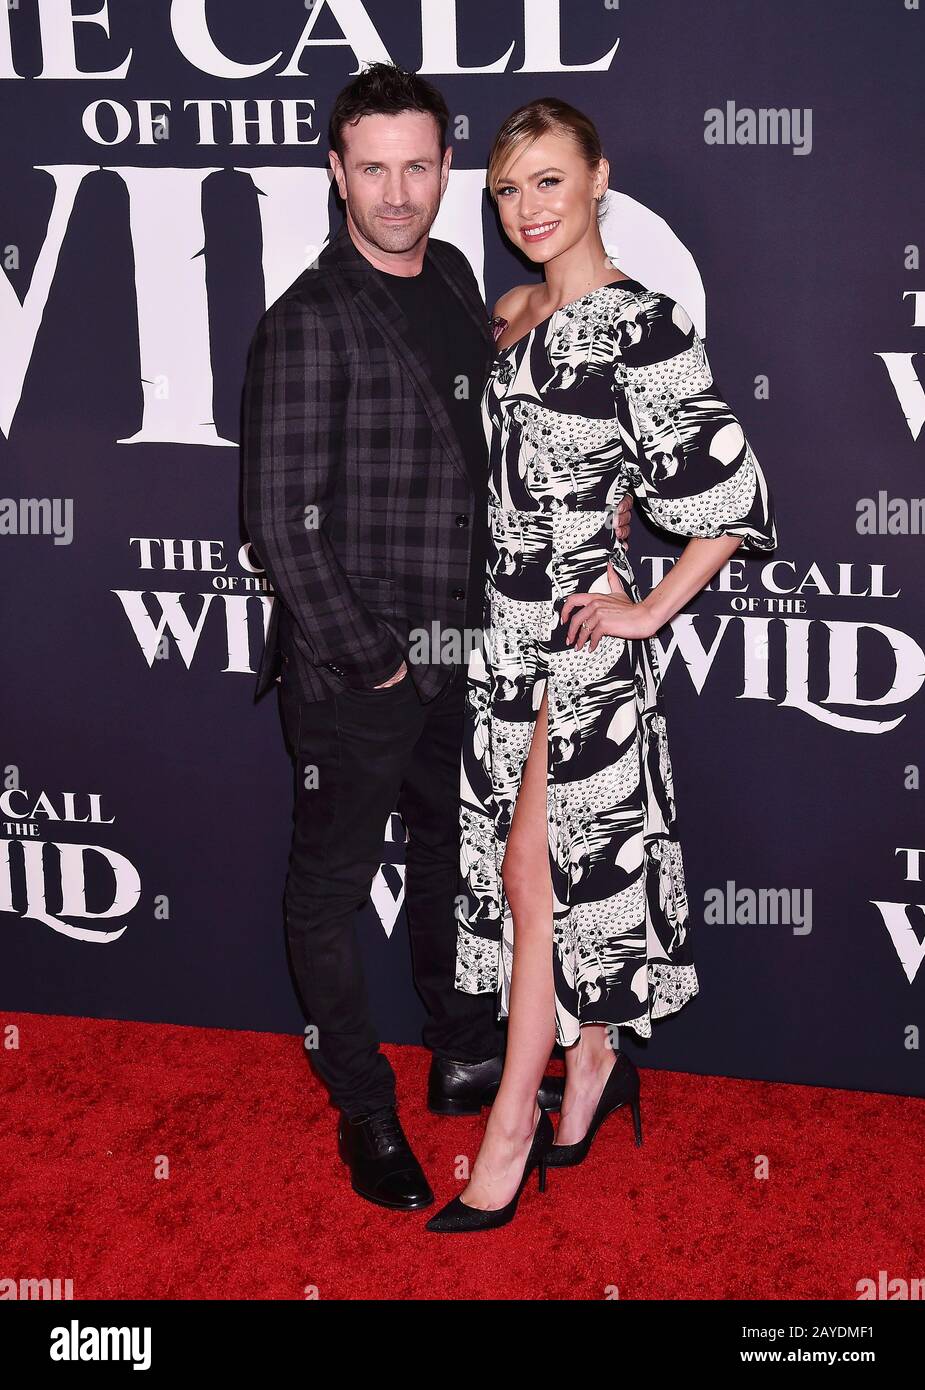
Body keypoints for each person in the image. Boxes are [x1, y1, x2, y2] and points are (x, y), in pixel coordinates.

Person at [240, 67, 634, 1213]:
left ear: (445, 169)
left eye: (419, 166)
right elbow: (277, 526)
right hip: (357, 668)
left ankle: (463, 1055)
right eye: (374, 167)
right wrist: (377, 657)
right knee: (329, 889)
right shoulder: (308, 321)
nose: (399, 192)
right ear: (335, 173)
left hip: (472, 650)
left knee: (461, 868)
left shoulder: (462, 279)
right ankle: (365, 1109)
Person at [427, 98, 777, 1232]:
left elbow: (727, 500)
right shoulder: (509, 314)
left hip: (578, 640)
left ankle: (512, 1128)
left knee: (535, 870)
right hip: (500, 633)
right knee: (541, 876)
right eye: (508, 189)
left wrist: (648, 606)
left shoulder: (647, 327)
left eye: (548, 182)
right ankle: (591, 1065)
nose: (528, 208)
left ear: (597, 180)